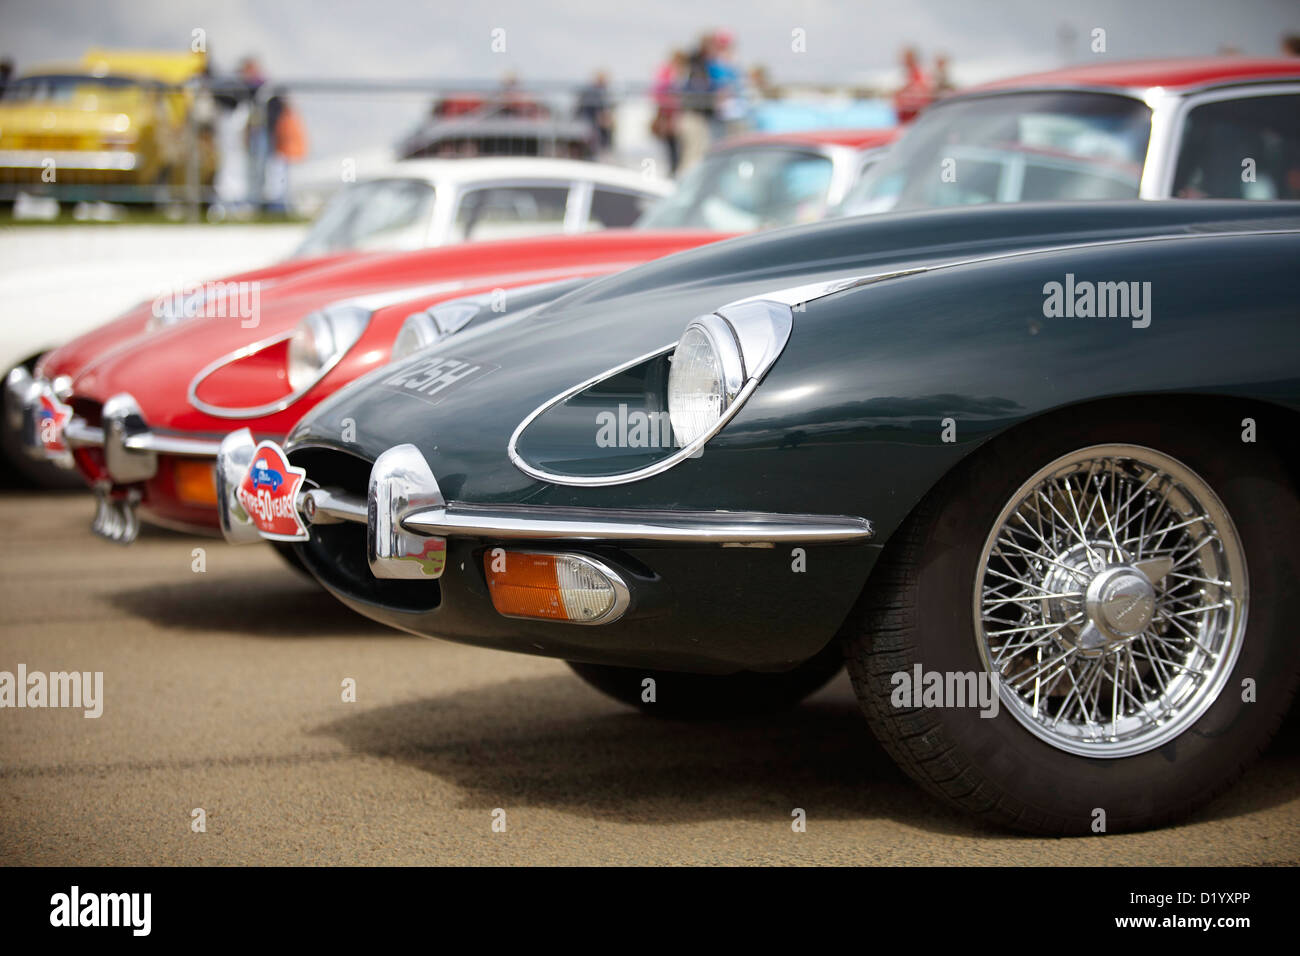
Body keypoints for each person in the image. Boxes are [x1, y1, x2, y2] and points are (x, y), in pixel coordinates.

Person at [652, 50, 687, 175]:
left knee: (674, 148)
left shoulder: (670, 73)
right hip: (668, 114)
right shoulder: (669, 74)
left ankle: (673, 170)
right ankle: (672, 171)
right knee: (672, 148)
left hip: (671, 114)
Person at [576, 70, 614, 155]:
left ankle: (603, 151)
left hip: (594, 121)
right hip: (589, 120)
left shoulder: (602, 91)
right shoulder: (592, 91)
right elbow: (586, 110)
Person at [893, 46, 933, 124]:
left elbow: (923, 92)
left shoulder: (919, 74)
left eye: (906, 58)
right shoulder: (905, 75)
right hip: (904, 114)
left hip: (915, 113)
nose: (904, 60)